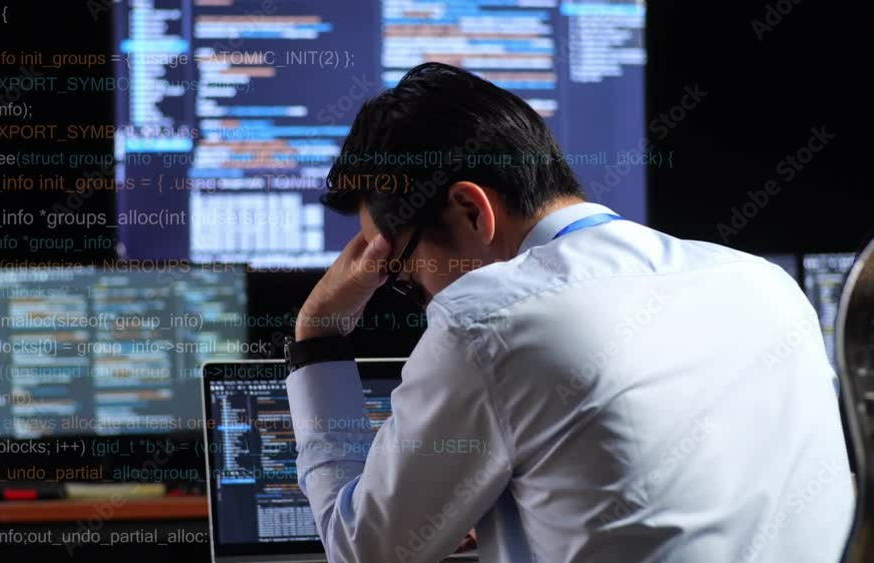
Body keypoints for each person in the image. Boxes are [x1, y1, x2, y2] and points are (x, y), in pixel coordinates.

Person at [283, 62, 855, 563]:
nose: (423, 299)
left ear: (468, 209)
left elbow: (365, 551)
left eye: (403, 274)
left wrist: (319, 337)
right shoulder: (765, 283)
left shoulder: (484, 322)